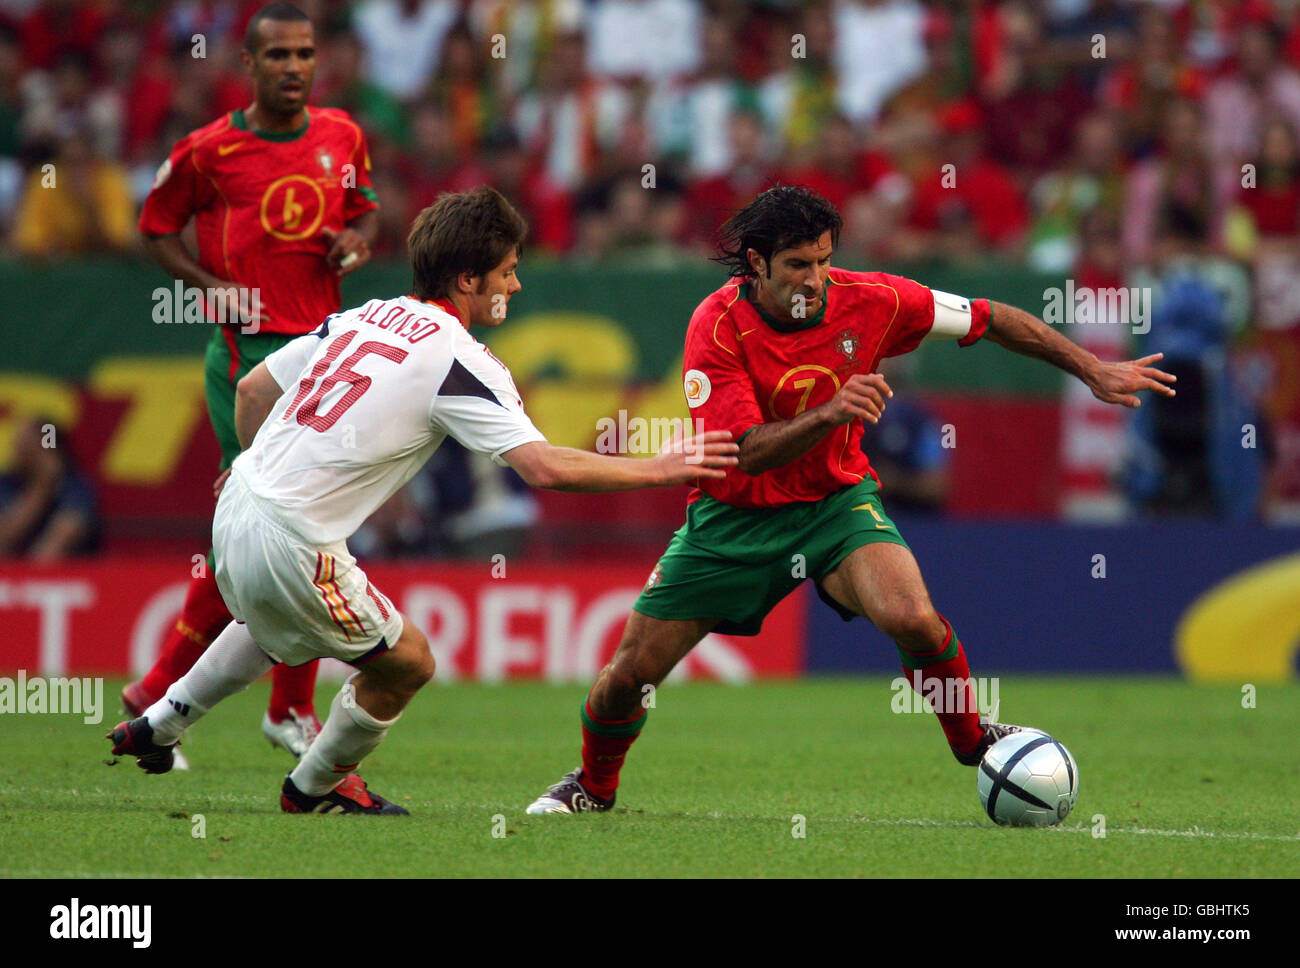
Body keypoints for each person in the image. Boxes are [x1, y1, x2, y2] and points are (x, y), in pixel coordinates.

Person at [526, 185, 1176, 814]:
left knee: (913, 619)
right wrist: (830, 411)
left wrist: (1092, 368)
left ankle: (974, 743)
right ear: (756, 264)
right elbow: (745, 450)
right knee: (626, 678)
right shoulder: (716, 327)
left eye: (823, 260)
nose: (815, 279)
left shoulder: (876, 300)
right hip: (732, 520)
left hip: (834, 506)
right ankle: (593, 786)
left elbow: (991, 317)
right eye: (797, 265)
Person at [107, 186, 739, 814]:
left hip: (236, 503)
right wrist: (660, 466)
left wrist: (263, 472)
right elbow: (542, 467)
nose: (515, 286)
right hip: (291, 535)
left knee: (273, 623)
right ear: (468, 279)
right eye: (508, 272)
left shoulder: (361, 315)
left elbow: (250, 390)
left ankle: (160, 723)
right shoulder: (460, 358)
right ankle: (316, 787)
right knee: (407, 662)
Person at [126, 2, 381, 759]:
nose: (294, 68)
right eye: (278, 56)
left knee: (280, 531)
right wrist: (208, 283)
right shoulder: (210, 151)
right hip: (247, 360)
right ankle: (277, 708)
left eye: (305, 54)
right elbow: (154, 227)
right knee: (290, 525)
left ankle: (159, 694)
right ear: (249, 64)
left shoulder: (344, 136)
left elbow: (363, 217)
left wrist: (352, 246)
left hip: (318, 358)